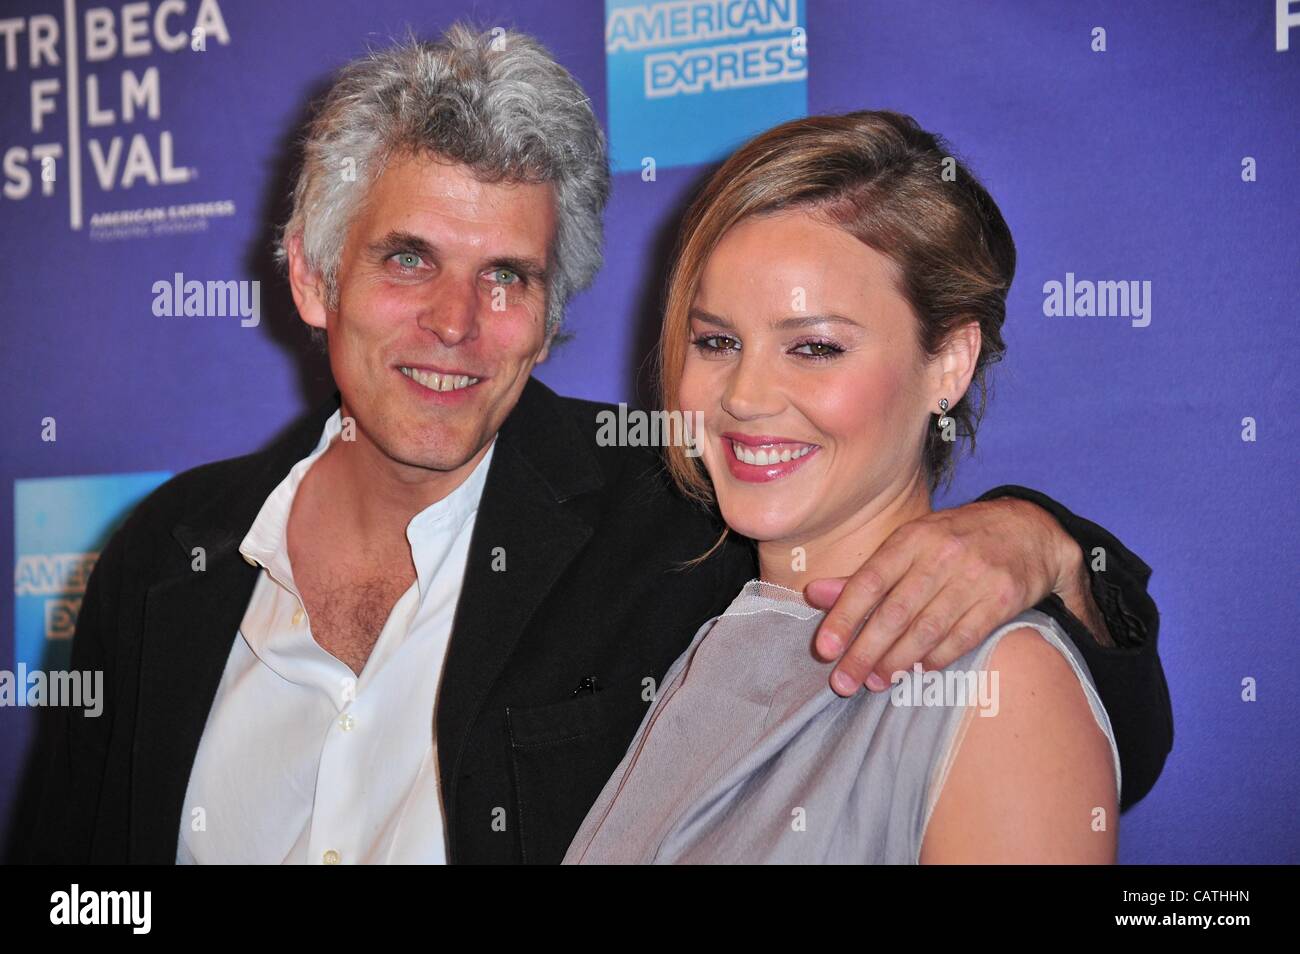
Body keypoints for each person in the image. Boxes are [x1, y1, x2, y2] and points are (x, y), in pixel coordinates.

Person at [16, 26, 1169, 866]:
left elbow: (1059, 713)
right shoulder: (169, 553)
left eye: (507, 275)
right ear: (316, 279)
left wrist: (1043, 542)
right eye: (409, 259)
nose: (456, 324)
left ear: (552, 309)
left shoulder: (676, 522)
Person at [565, 110, 1126, 864]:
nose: (746, 394)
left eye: (815, 347)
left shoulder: (1002, 685)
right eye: (717, 341)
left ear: (949, 365)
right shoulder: (712, 639)